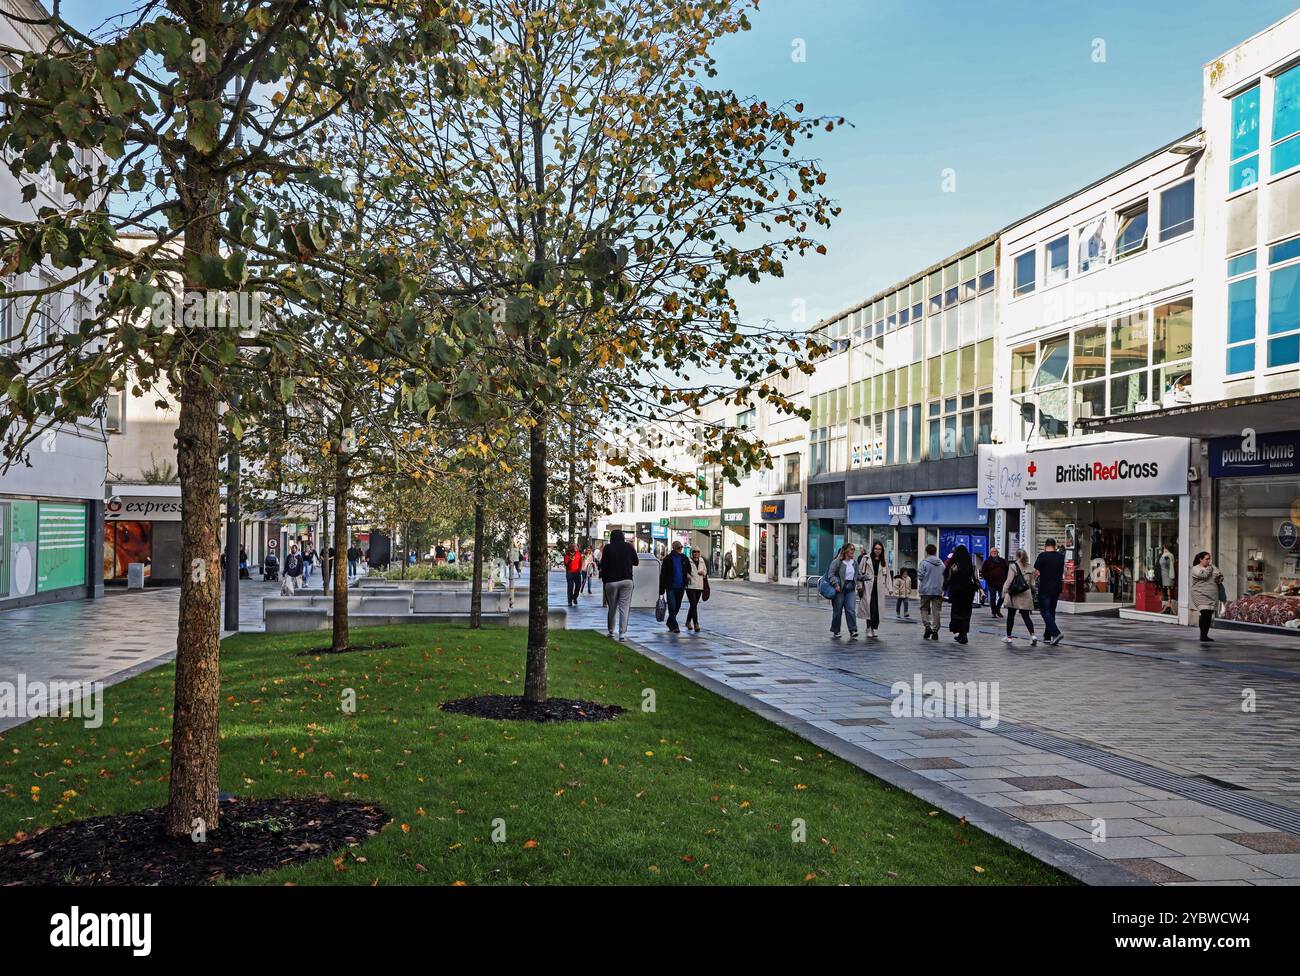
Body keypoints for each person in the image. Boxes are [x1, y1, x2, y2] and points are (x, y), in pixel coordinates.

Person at [600, 530, 638, 639]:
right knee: (624, 607)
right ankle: (622, 634)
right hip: (626, 580)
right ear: (623, 537)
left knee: (612, 607)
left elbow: (604, 565)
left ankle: (611, 631)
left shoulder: (608, 548)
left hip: (611, 582)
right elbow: (636, 562)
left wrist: (605, 580)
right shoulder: (629, 547)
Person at [1033, 538, 1067, 646]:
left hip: (1045, 587)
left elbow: (1037, 572)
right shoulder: (1060, 557)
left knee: (1044, 611)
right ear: (1055, 546)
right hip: (1056, 587)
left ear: (1045, 545)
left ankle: (1056, 633)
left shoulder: (1042, 556)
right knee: (1051, 611)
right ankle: (1047, 636)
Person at [855, 540, 891, 639]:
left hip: (879, 587)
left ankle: (874, 628)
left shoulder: (884, 560)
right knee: (870, 608)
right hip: (867, 586)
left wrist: (890, 588)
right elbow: (859, 574)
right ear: (873, 549)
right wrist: (859, 586)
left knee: (878, 609)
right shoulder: (866, 559)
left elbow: (887, 575)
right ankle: (869, 628)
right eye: (876, 548)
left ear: (882, 550)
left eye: (879, 549)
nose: (877, 551)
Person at [1001, 549, 1038, 646]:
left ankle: (1009, 637)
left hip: (1014, 594)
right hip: (1026, 593)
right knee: (1026, 616)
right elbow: (1032, 584)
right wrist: (1033, 592)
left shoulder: (1013, 566)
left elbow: (1009, 581)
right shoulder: (1031, 568)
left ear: (1017, 556)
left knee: (1011, 615)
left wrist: (1004, 592)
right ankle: (1033, 635)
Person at [944, 544, 979, 644]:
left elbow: (947, 577)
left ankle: (959, 632)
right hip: (968, 592)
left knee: (957, 612)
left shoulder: (954, 564)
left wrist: (945, 588)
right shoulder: (970, 565)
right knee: (966, 613)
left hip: (957, 592)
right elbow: (975, 579)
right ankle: (963, 634)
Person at [658, 540, 693, 634]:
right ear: (673, 548)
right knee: (672, 606)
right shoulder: (668, 559)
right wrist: (661, 590)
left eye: (681, 547)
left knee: (677, 606)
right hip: (670, 587)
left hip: (681, 586)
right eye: (678, 547)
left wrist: (688, 575)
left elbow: (689, 569)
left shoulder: (684, 558)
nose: (680, 549)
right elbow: (663, 575)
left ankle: (670, 622)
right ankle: (675, 626)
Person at [1190, 551, 1225, 643]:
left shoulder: (1213, 567)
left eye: (1209, 559)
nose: (1208, 561)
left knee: (1209, 614)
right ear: (1200, 559)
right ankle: (1202, 635)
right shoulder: (1195, 568)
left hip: (1212, 595)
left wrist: (1219, 578)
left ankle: (1205, 635)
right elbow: (1204, 575)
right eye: (1206, 559)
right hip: (1200, 594)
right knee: (1205, 612)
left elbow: (1220, 576)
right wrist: (1210, 568)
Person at [827, 543, 858, 640]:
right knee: (838, 611)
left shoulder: (854, 563)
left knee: (851, 610)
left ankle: (853, 630)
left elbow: (857, 575)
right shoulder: (837, 562)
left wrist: (866, 577)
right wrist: (836, 584)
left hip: (851, 589)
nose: (853, 551)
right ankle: (836, 630)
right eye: (851, 549)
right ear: (845, 551)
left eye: (854, 549)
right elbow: (830, 574)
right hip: (840, 589)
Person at [917, 544, 944, 640]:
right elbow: (944, 575)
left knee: (924, 609)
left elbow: (920, 576)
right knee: (936, 611)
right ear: (935, 551)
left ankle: (927, 626)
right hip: (938, 590)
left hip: (926, 589)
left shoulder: (924, 563)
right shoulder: (941, 563)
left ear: (926, 552)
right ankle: (935, 631)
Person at [685, 548, 709, 632]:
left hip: (699, 586)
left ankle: (688, 621)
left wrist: (704, 573)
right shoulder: (688, 560)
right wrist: (687, 575)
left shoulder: (702, 560)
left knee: (694, 605)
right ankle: (696, 624)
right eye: (694, 552)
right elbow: (684, 570)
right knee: (693, 605)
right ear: (691, 553)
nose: (696, 553)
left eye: (698, 552)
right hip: (690, 586)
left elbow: (706, 571)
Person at [981, 547, 1008, 618]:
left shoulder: (1002, 561)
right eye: (993, 552)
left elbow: (1007, 570)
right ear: (990, 553)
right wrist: (988, 578)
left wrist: (1005, 578)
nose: (994, 553)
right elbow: (983, 571)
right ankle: (994, 612)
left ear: (998, 552)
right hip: (991, 583)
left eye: (995, 551)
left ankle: (997, 609)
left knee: (1002, 596)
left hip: (1001, 582)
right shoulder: (987, 562)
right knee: (992, 598)